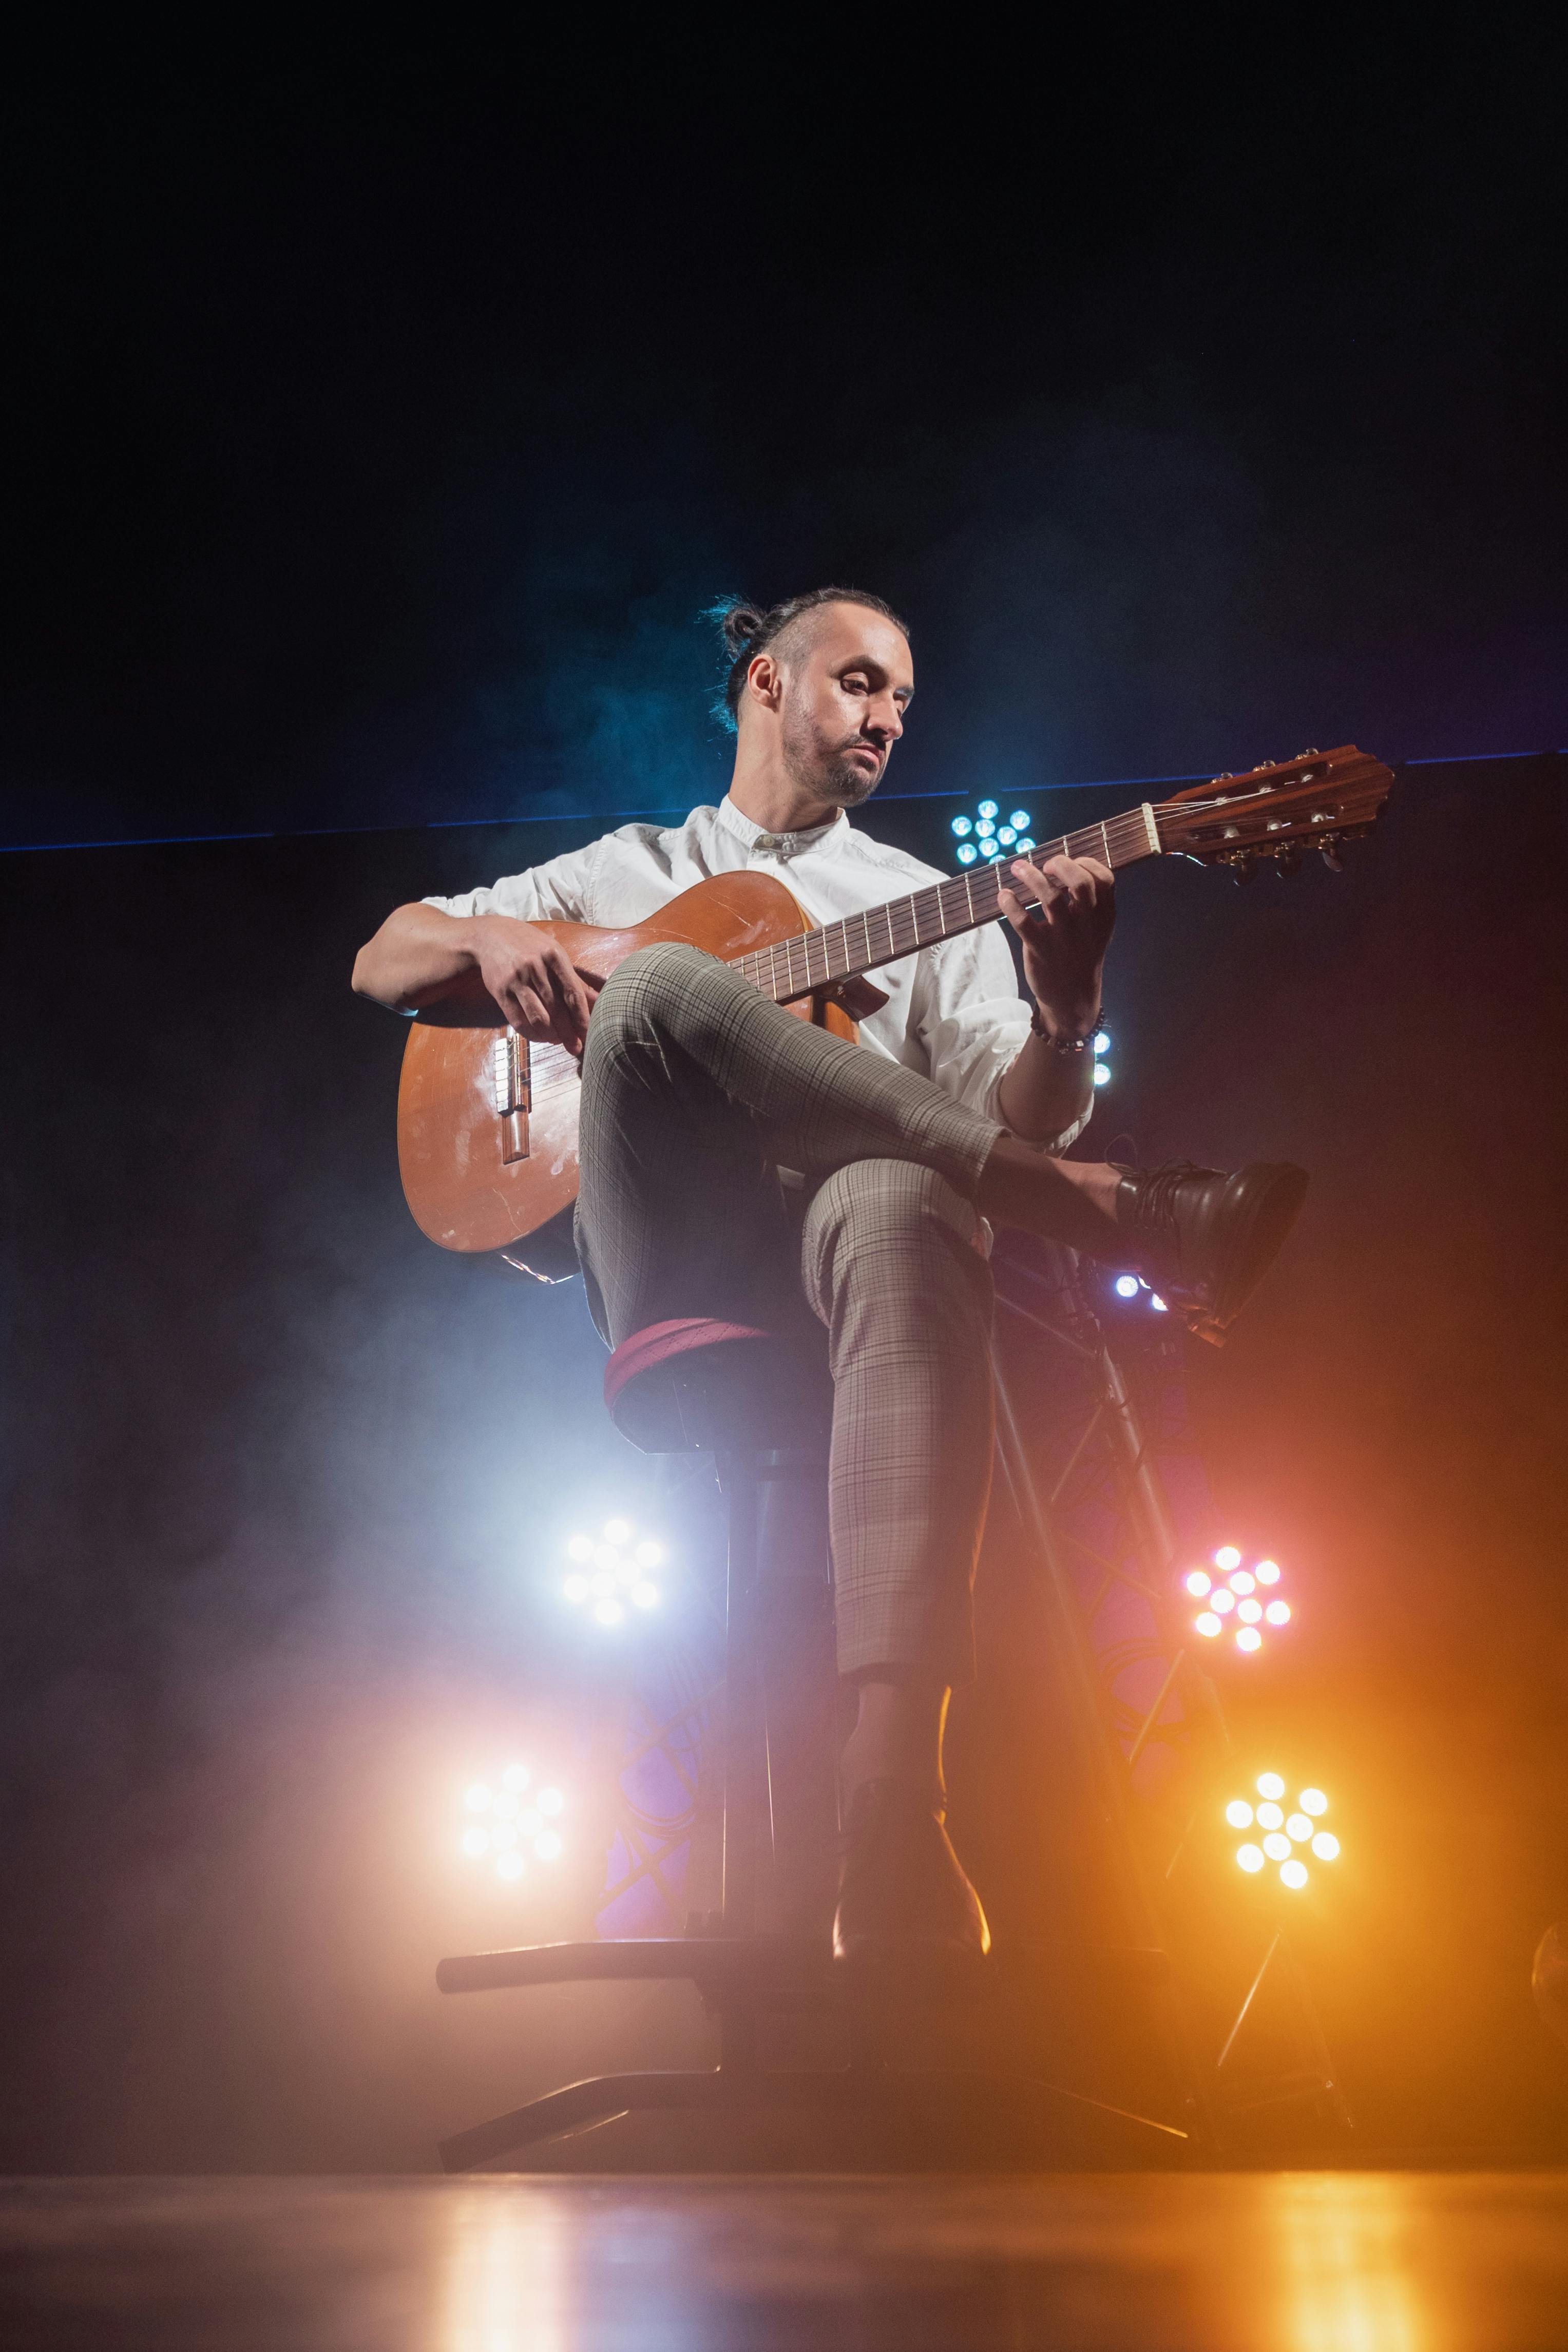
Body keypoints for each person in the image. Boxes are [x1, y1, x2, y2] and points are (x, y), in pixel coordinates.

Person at [353, 587, 1306, 1963]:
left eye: (904, 701)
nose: (886, 719)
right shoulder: (631, 862)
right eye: (860, 683)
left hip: (841, 1270)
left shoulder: (931, 901)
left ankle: (892, 1809)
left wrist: (1071, 1007)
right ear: (766, 687)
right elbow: (383, 959)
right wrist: (506, 943)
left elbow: (1023, 1106)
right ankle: (1105, 1216)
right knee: (663, 988)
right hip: (660, 1242)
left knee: (910, 1192)